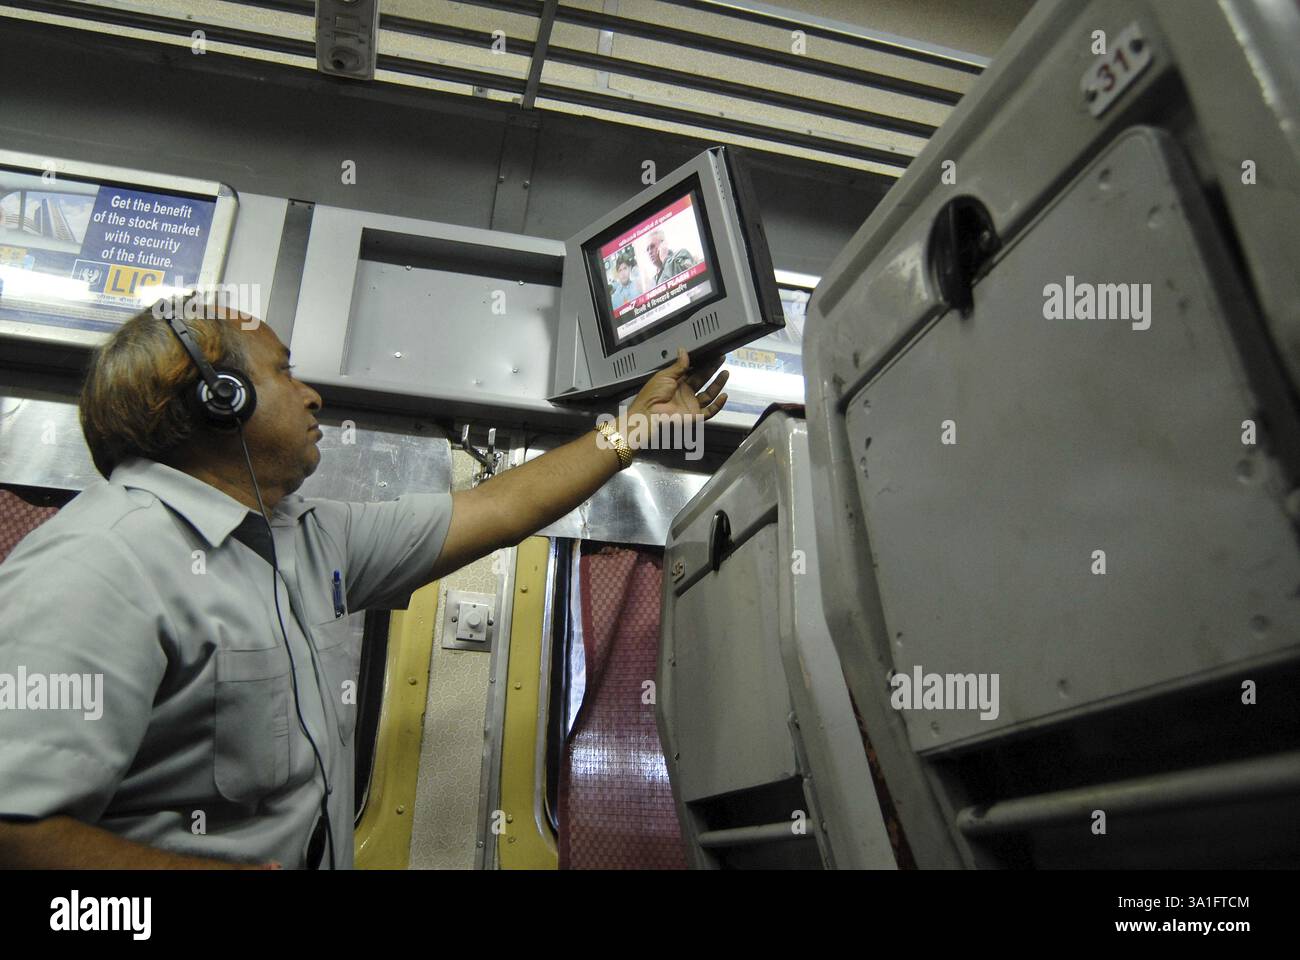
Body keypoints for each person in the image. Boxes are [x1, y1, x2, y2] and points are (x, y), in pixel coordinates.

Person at [0, 296, 727, 869]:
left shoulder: (308, 540)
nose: (312, 395)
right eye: (283, 372)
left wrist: (631, 430)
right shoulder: (100, 561)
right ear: (218, 398)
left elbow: (501, 509)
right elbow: (16, 831)